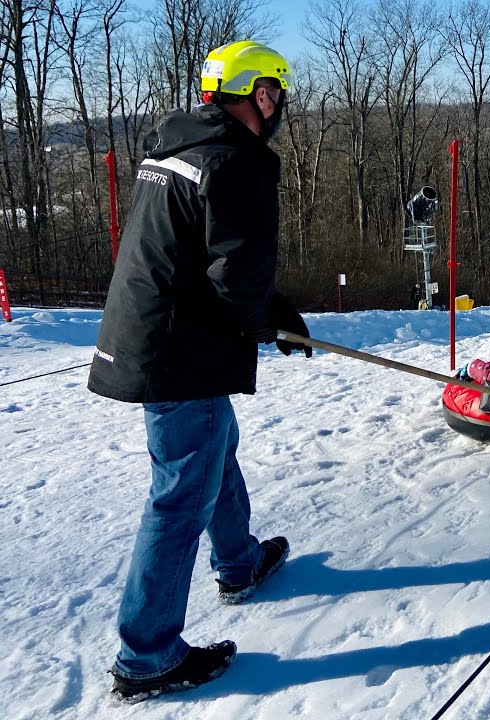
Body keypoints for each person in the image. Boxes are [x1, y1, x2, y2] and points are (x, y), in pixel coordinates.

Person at [87, 40, 305, 703]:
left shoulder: (175, 149)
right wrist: (269, 317)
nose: (278, 110)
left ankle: (238, 562)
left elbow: (202, 257)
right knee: (180, 495)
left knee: (215, 447)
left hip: (158, 336)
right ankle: (146, 653)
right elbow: (236, 279)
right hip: (179, 351)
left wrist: (269, 307)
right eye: (277, 96)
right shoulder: (235, 163)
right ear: (260, 95)